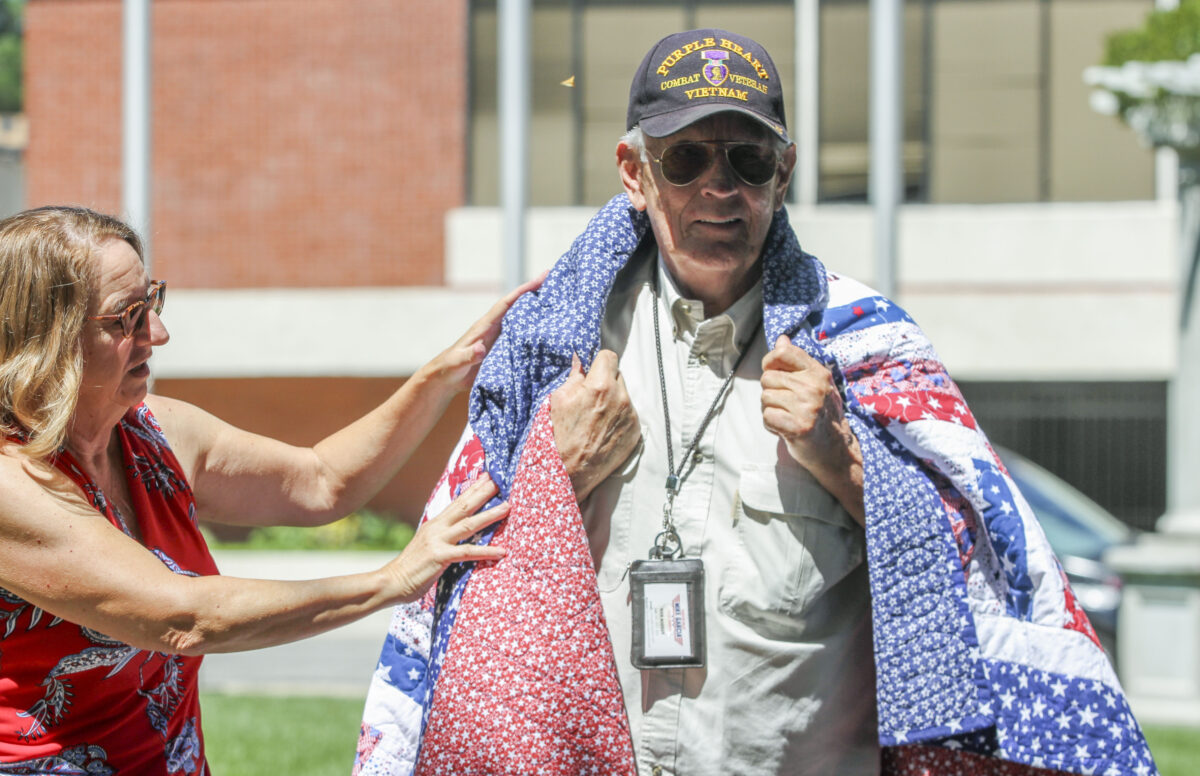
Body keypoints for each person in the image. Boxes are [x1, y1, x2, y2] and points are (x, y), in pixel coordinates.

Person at [357, 29, 1157, 776]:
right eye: (686, 160)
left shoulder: (865, 347)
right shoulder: (552, 348)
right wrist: (548, 473)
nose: (718, 187)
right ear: (634, 174)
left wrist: (846, 458)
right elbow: (455, 581)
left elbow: (983, 567)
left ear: (784, 173)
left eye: (746, 160)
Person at [0, 205, 536, 774]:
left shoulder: (153, 431)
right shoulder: (12, 480)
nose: (157, 334)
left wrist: (445, 374)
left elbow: (320, 482)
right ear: (46, 339)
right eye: (124, 319)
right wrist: (388, 582)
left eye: (152, 302)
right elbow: (183, 618)